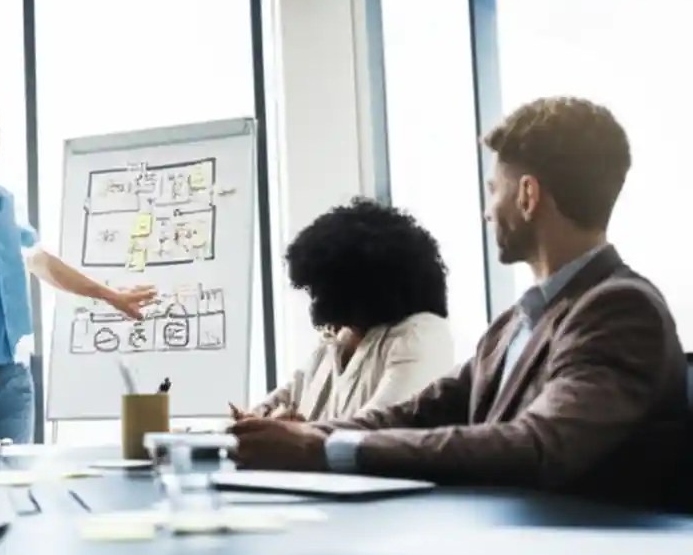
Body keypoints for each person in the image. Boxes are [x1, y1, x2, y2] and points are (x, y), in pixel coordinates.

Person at [230, 96, 690, 510]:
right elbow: (416, 414)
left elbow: (538, 444)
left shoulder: (620, 309)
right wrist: (307, 436)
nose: (487, 210)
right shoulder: (515, 323)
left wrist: (321, 450)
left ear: (527, 195)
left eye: (494, 190)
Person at [0, 91, 156, 443]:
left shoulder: (6, 203)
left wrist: (108, 294)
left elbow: (40, 262)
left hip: (14, 377)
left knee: (16, 482)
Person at [232, 199, 454, 422]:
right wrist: (257, 417)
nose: (315, 300)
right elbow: (290, 393)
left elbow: (377, 428)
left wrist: (293, 434)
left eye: (320, 289)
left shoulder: (420, 336)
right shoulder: (339, 339)